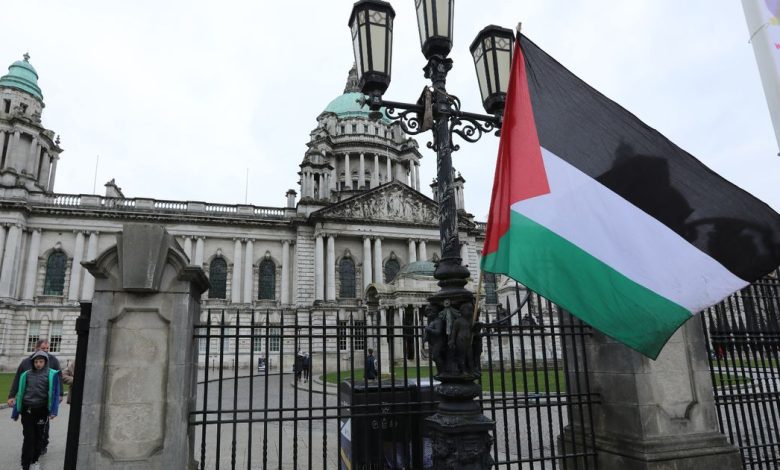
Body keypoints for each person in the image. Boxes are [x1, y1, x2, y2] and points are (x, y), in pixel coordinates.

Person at [7, 339, 63, 456]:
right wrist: (12, 396)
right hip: (27, 402)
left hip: (43, 402)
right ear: (36, 348)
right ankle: (30, 445)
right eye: (43, 348)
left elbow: (59, 380)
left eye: (48, 348)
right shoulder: (25, 362)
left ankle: (42, 445)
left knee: (43, 426)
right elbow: (18, 379)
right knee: (28, 428)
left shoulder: (53, 361)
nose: (46, 351)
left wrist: (60, 395)